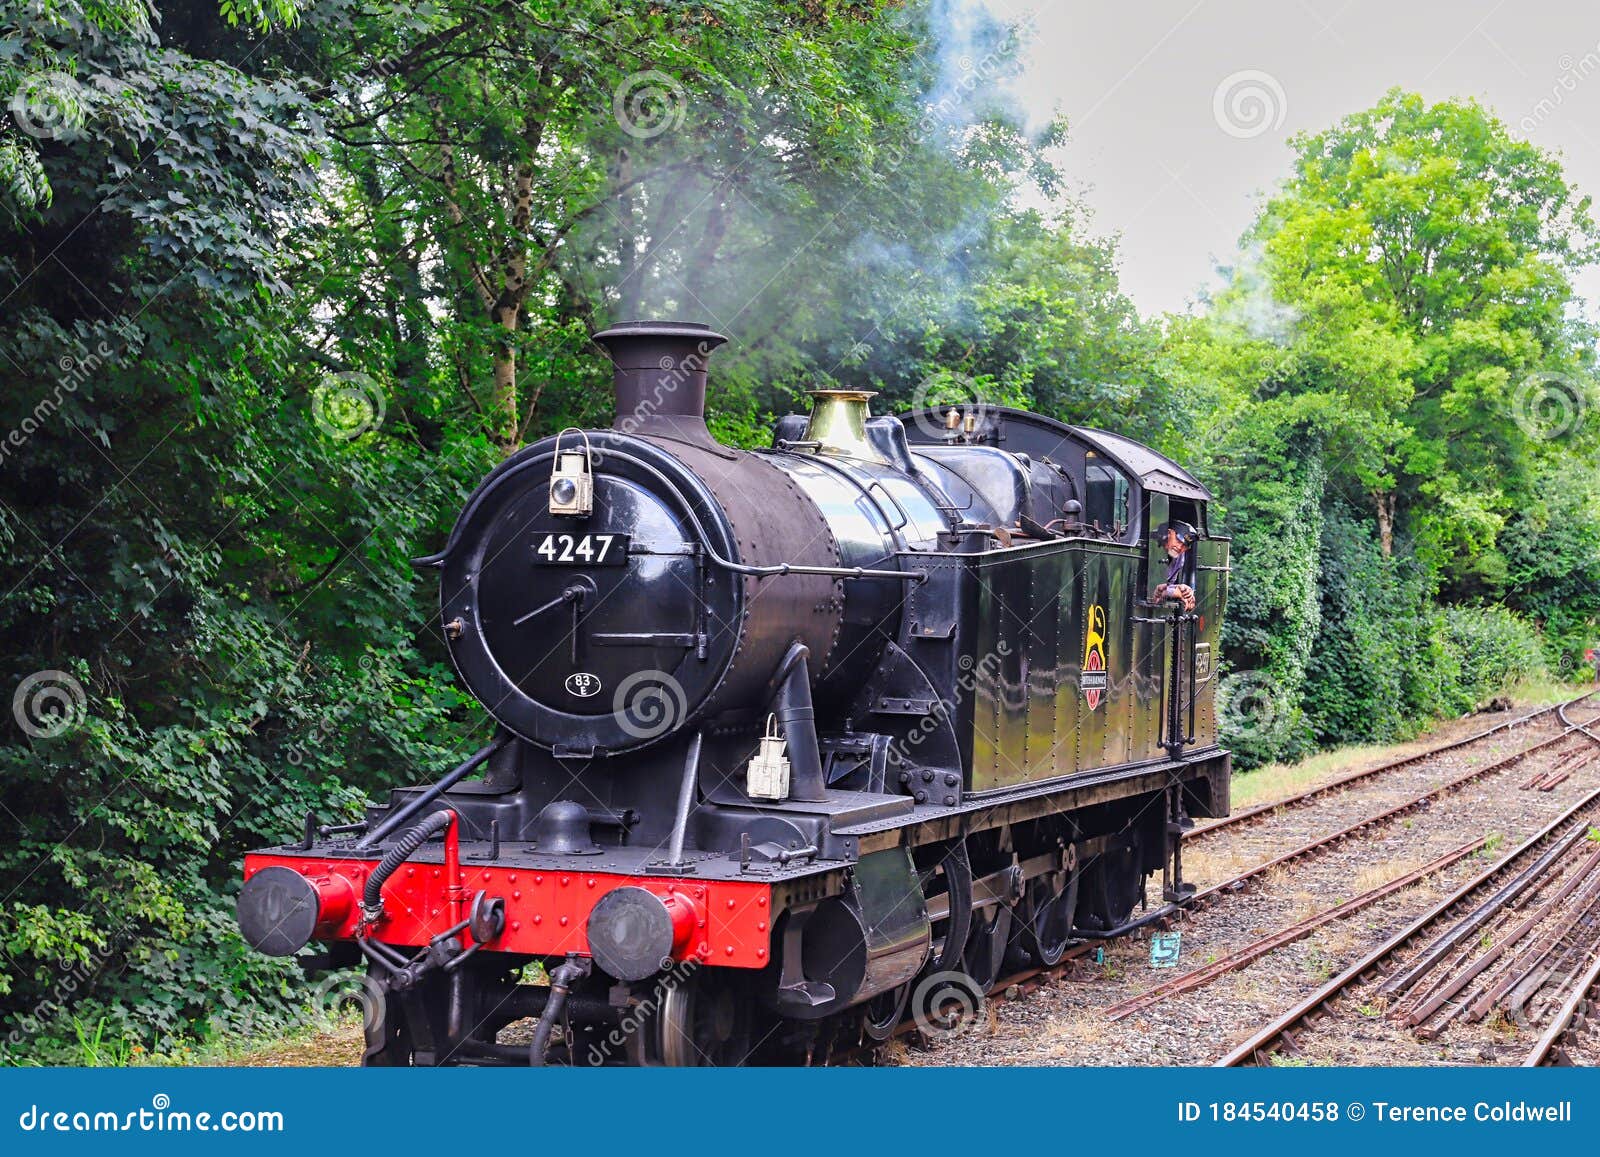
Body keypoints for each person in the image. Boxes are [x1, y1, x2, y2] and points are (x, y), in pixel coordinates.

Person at [1153, 521, 1197, 612]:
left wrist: (1183, 591)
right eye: (1178, 540)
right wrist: (1174, 592)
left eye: (1184, 545)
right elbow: (1149, 590)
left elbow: (1166, 587)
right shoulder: (1151, 546)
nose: (1180, 547)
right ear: (1168, 533)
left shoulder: (1179, 557)